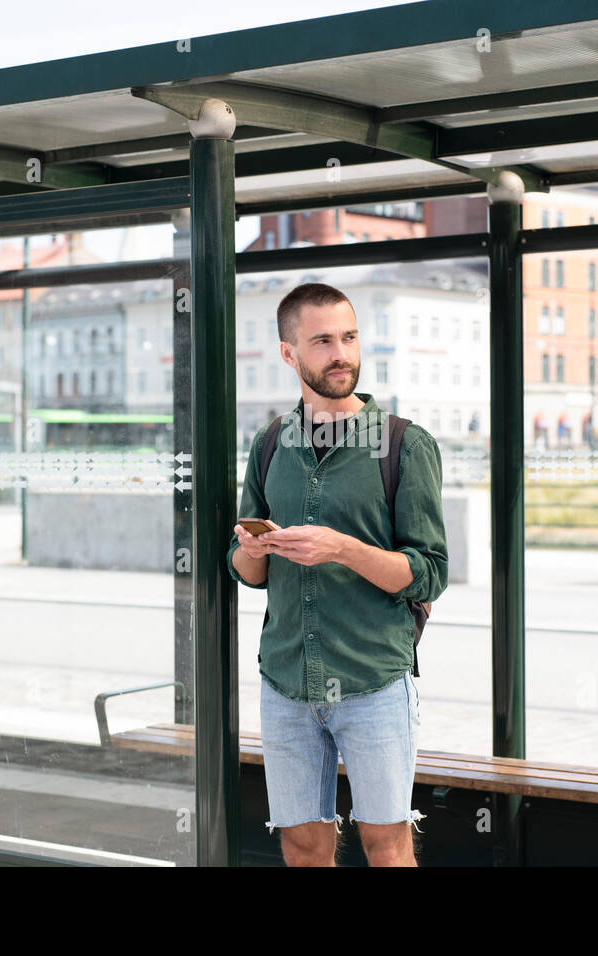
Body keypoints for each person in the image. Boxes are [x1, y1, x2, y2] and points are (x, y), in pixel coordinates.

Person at [227, 282, 448, 867]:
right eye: (322, 340)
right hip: (285, 683)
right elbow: (247, 573)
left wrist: (343, 549)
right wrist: (254, 547)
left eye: (348, 337)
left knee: (387, 844)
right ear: (288, 354)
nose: (340, 353)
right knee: (301, 845)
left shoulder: (404, 445)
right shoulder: (270, 443)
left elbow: (429, 574)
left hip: (373, 683)